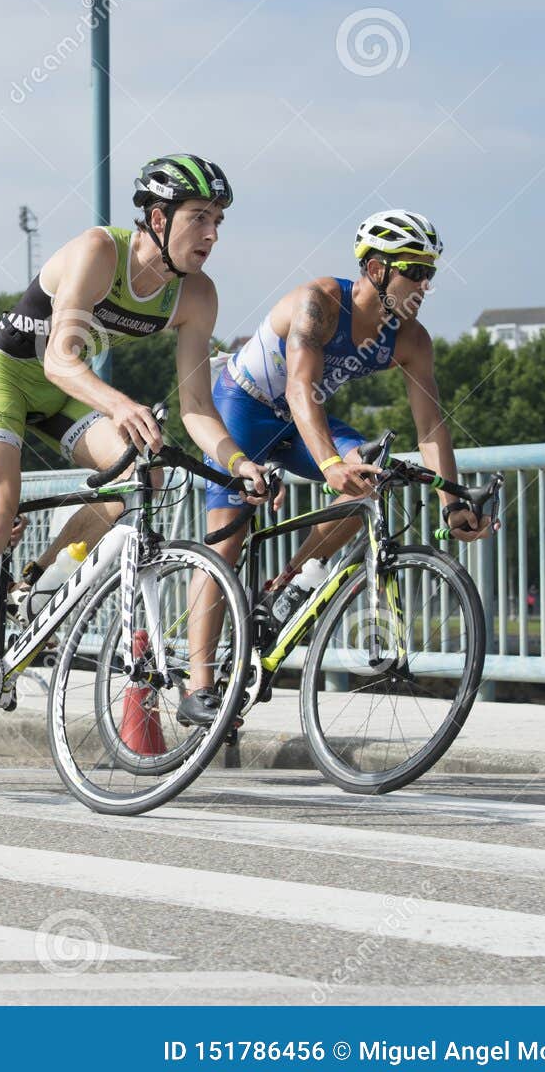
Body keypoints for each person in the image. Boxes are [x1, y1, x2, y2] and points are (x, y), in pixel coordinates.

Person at [0, 154, 268, 739]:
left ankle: (37, 581)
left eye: (218, 221)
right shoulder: (99, 251)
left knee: (141, 477)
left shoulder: (196, 295)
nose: (212, 234)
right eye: (199, 217)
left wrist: (237, 462)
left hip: (65, 394)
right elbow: (59, 358)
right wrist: (120, 405)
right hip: (10, 376)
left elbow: (196, 406)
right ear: (157, 218)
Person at [184, 208, 493, 726]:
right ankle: (198, 686)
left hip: (304, 417)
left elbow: (430, 427)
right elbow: (300, 387)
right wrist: (329, 461)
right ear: (375, 269)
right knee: (227, 541)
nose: (424, 284)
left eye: (429, 273)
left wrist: (453, 502)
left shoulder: (411, 339)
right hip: (247, 408)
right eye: (414, 271)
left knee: (370, 477)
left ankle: (285, 587)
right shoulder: (322, 302)